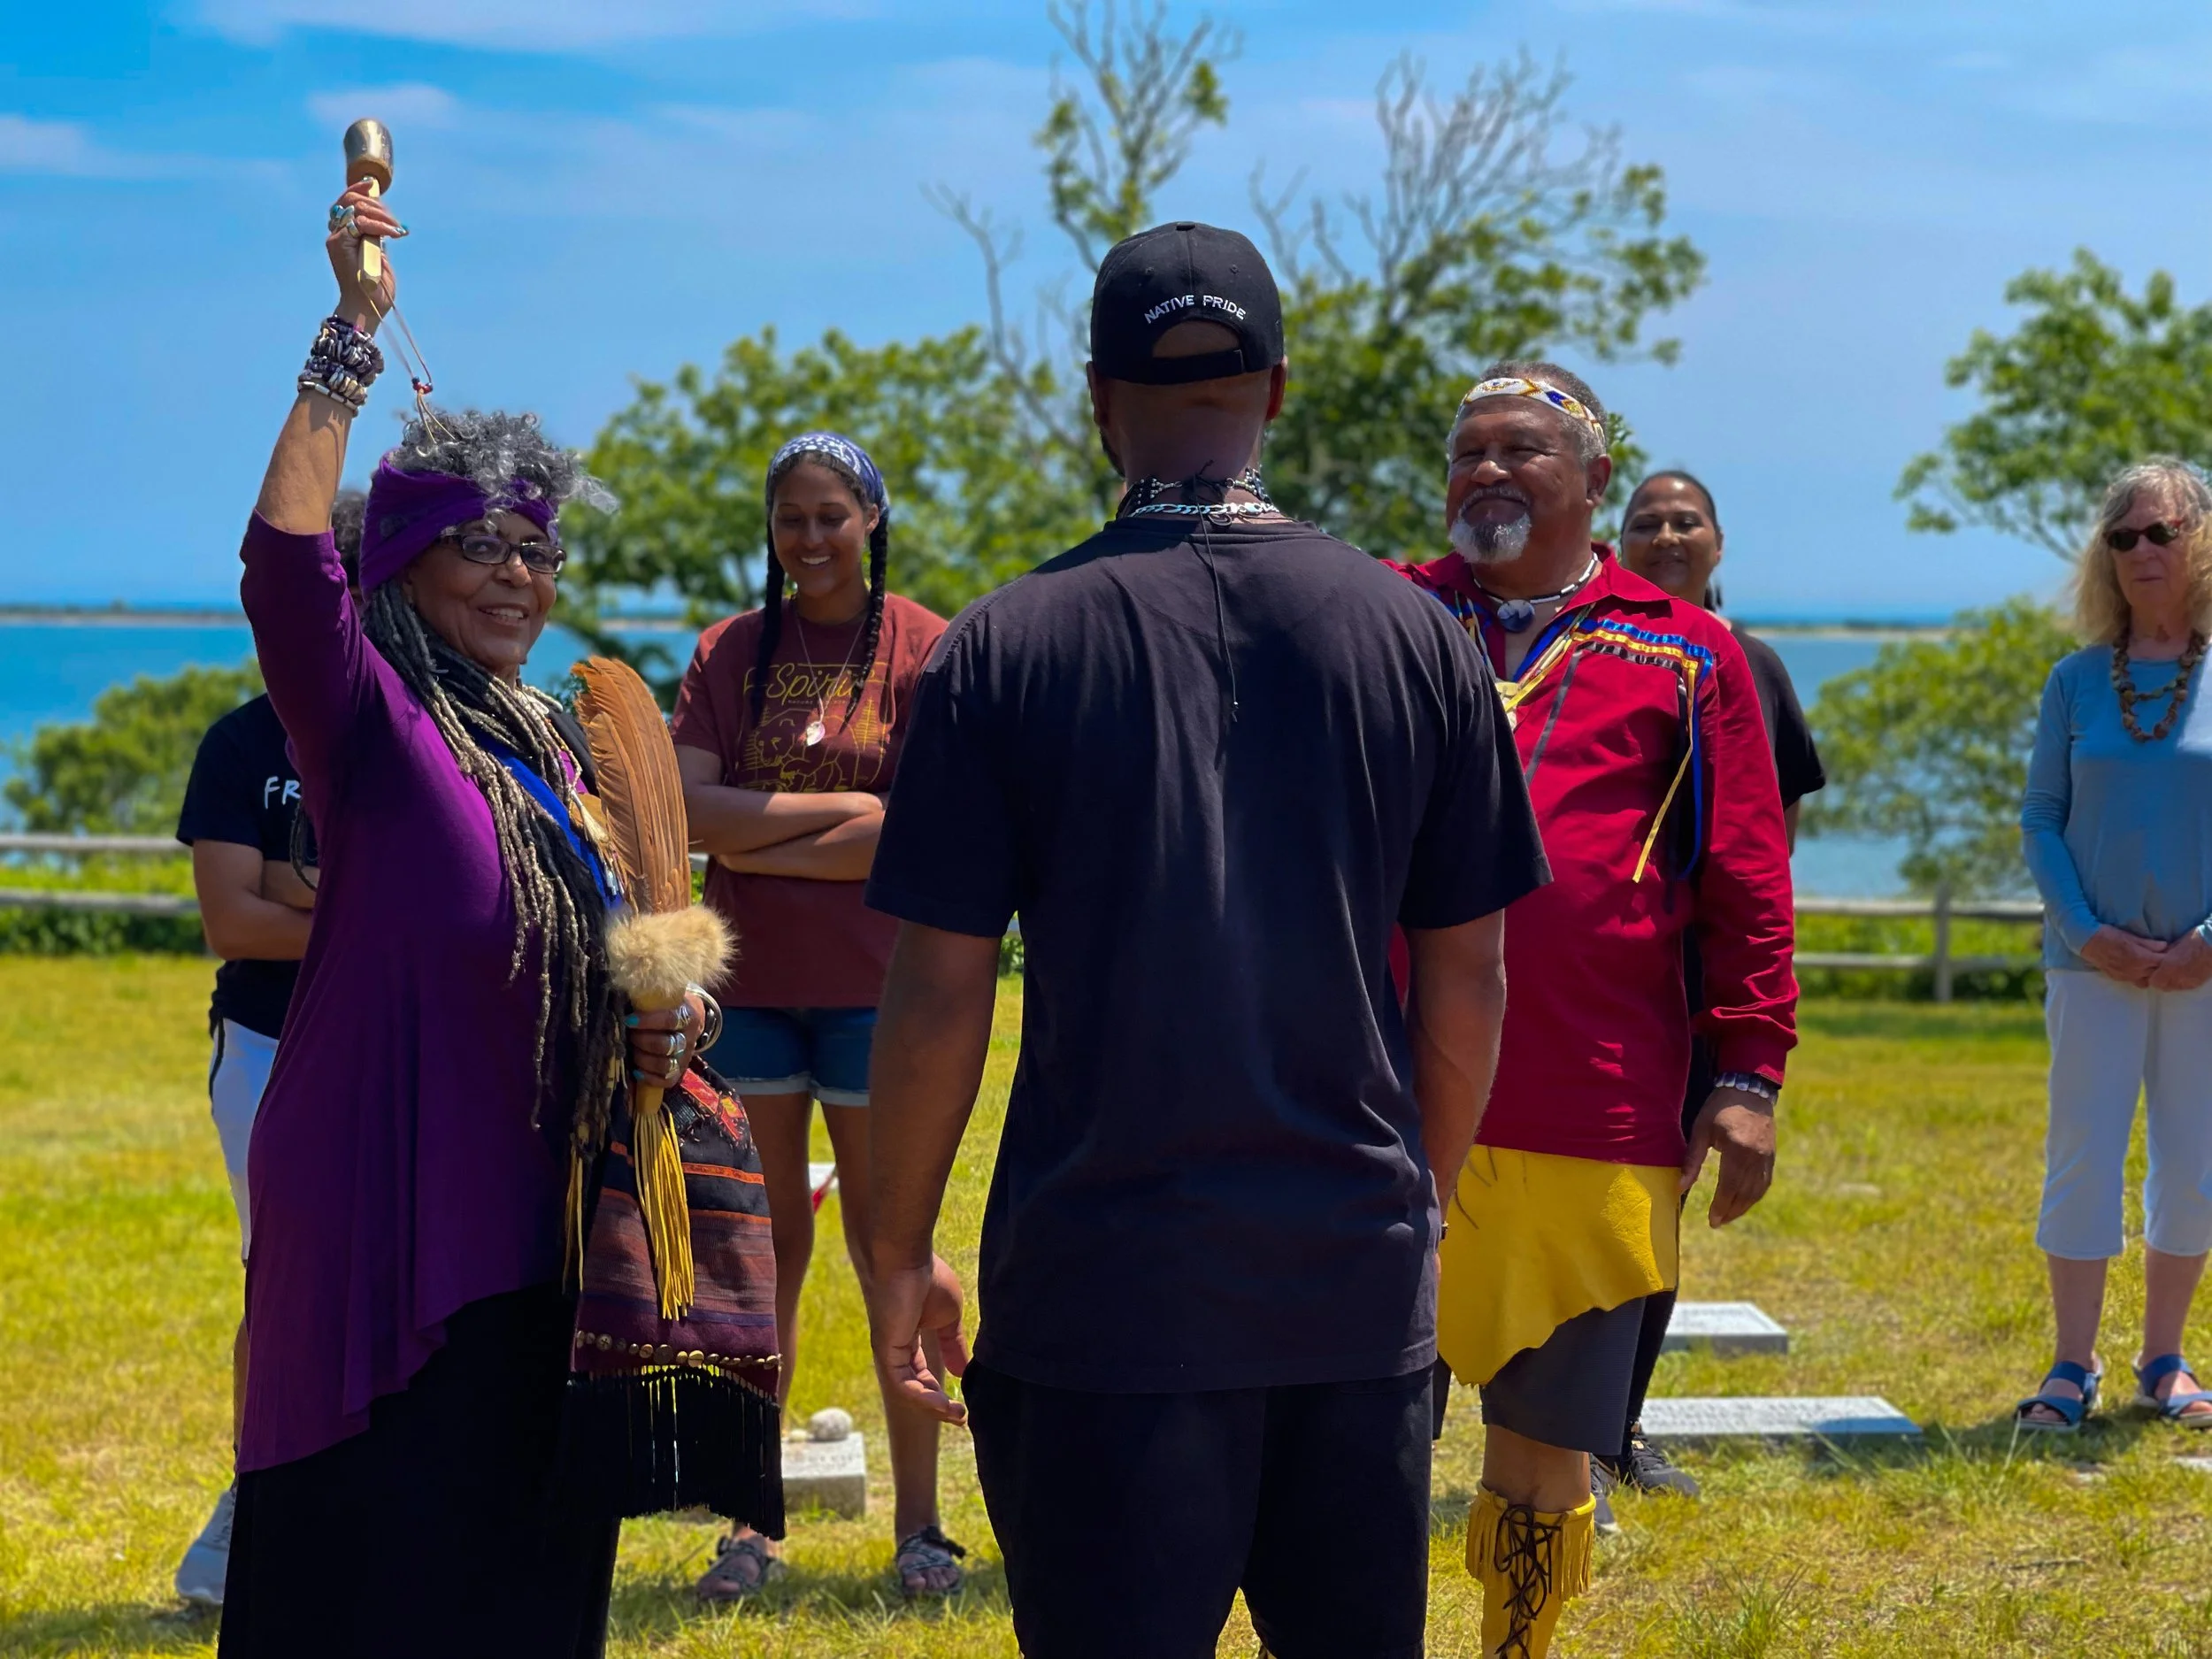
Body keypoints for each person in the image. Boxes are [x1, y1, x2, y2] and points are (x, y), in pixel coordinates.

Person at [861, 220, 1546, 1659]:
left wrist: (901, 1244)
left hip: (1105, 1291)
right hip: (1351, 1287)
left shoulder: (1001, 649)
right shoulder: (1423, 644)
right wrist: (1418, 1189)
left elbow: (937, 993)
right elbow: (1471, 976)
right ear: (1280, 390)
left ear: (1096, 398)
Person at [218, 175, 698, 1656]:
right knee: (380, 1563)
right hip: (385, 1204)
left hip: (546, 1212)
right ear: (407, 564)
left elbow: (595, 931)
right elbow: (281, 571)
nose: (522, 574)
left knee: (520, 1576)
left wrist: (667, 1005)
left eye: (541, 550)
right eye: (487, 544)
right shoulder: (365, 712)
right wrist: (348, 342)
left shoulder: (550, 738)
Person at [1391, 364, 1796, 1655]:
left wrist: (1748, 1073)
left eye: (1524, 449)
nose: (1490, 473)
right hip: (1373, 1090)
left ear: (1598, 482)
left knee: (1547, 1444)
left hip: (1595, 1097)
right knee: (1349, 1440)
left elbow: (1746, 868)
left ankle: (1519, 1645)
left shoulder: (1689, 651)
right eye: (1469, 452)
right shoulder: (1388, 614)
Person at [671, 432, 964, 1599]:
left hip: (881, 1001)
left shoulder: (926, 647)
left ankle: (924, 1527)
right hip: (748, 990)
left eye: (832, 514)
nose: (811, 537)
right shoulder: (729, 649)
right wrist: (842, 815)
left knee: (892, 1248)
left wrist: (764, 829)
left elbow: (921, 831)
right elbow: (688, 812)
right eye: (791, 517)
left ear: (873, 519)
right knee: (758, 1251)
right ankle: (751, 1522)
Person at [1606, 470, 1827, 1503]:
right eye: (1644, 521)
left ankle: (1615, 1427)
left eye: (1683, 520)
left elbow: (1766, 848)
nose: (1664, 535)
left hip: (1694, 987)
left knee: (1656, 1203)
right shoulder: (1592, 658)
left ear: (1719, 542)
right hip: (1599, 972)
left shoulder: (1753, 668)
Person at [169, 494, 361, 1609]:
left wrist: (303, 891)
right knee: (279, 1278)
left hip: (400, 1040)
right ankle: (257, 1496)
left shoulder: (406, 732)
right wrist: (368, 919)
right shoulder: (240, 743)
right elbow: (234, 922)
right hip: (268, 1044)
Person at [2016, 457, 2212, 1434]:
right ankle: (2068, 1363)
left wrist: (2206, 945)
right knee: (2081, 1156)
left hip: (2205, 971)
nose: (2140, 551)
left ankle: (2165, 1358)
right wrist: (2086, 934)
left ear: (2200, 543)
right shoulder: (2074, 682)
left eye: (2160, 533)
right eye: (2122, 536)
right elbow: (2041, 819)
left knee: (2194, 1161)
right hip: (2088, 965)